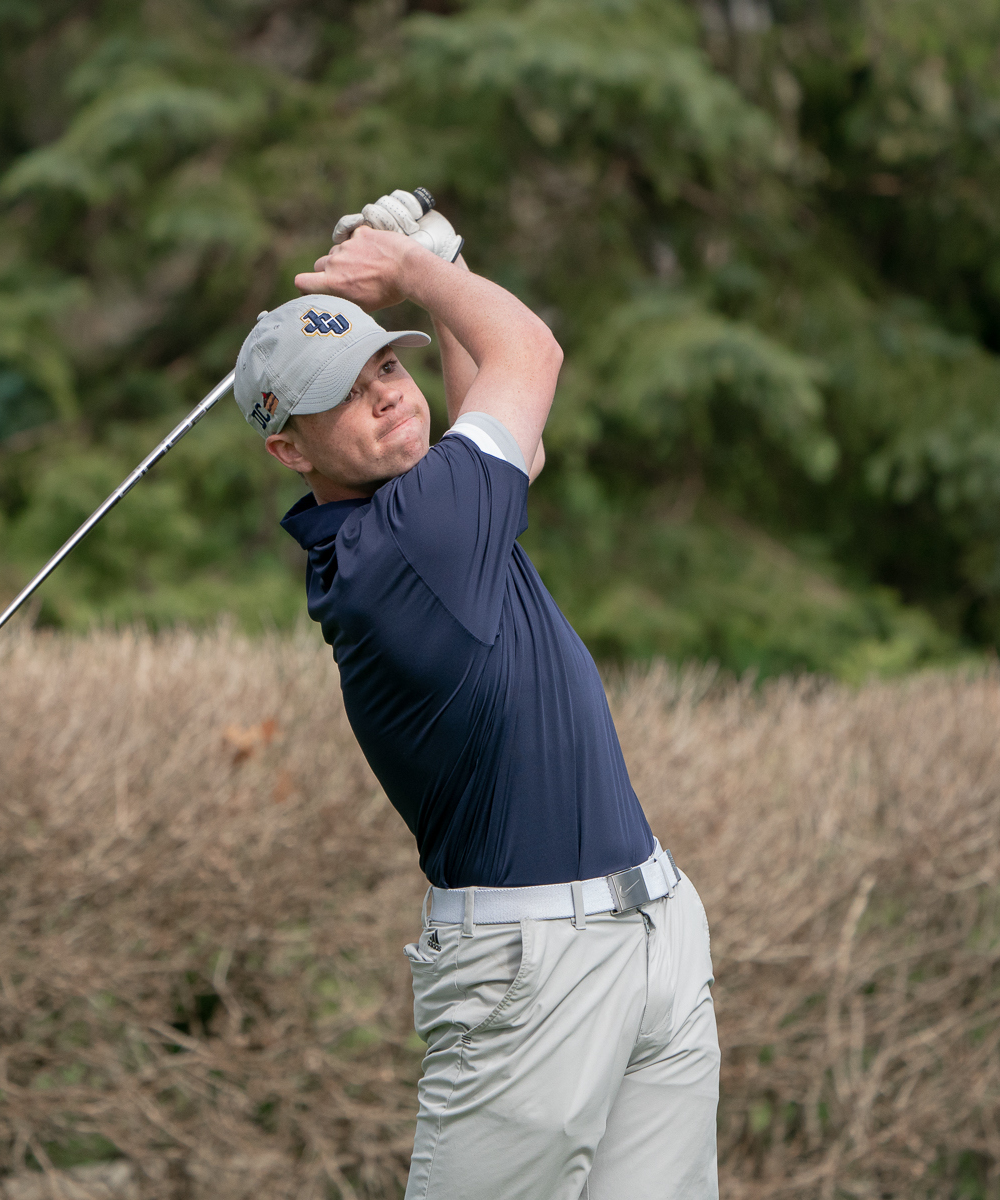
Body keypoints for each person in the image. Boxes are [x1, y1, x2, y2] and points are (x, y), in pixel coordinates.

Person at [233, 191, 720, 1200]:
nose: (389, 395)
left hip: (654, 932)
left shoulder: (420, 512)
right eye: (345, 392)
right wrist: (419, 271)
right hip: (530, 975)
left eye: (388, 363)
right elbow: (529, 358)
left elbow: (514, 438)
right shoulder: (402, 546)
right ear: (289, 448)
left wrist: (437, 262)